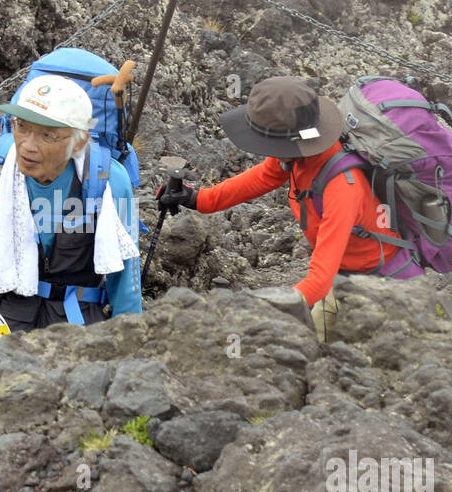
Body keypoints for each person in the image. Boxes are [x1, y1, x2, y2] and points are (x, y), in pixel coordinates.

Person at [157, 76, 402, 341]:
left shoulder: (342, 186)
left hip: (383, 285)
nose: (266, 150)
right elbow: (261, 177)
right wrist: (196, 199)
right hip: (342, 274)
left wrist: (264, 313)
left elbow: (319, 280)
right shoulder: (299, 154)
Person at [0, 75, 141, 336]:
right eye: (22, 127)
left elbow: (126, 276)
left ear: (78, 142)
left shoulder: (111, 180)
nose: (28, 146)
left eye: (47, 134)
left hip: (77, 320)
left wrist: (131, 344)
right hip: (0, 313)